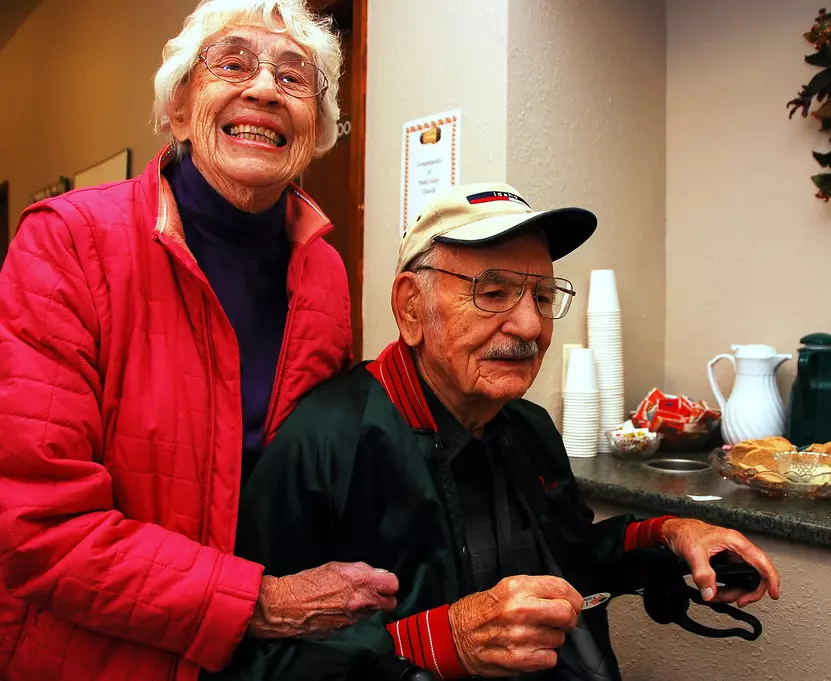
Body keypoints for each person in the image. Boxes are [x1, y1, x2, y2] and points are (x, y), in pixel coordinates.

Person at [223, 183, 782, 680]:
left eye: (542, 296)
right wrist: (441, 643)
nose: (531, 326)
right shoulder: (324, 443)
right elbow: (252, 655)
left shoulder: (528, 426)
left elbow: (568, 563)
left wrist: (669, 537)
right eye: (492, 293)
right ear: (410, 308)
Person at [0, 2, 398, 680]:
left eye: (295, 77)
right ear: (179, 108)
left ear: (318, 129)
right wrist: (261, 602)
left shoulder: (322, 270)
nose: (266, 88)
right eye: (233, 63)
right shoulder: (67, 241)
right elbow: (35, 526)